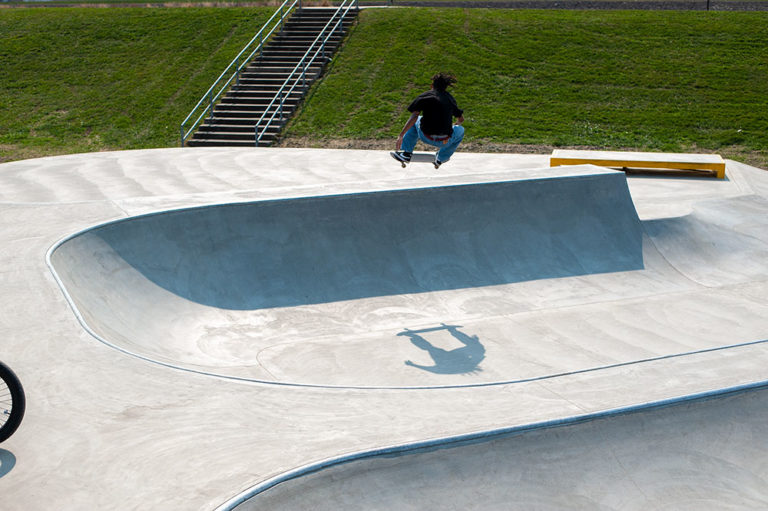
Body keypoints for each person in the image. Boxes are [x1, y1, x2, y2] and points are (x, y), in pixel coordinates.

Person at [392, 72, 465, 169]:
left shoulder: (425, 96)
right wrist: (454, 125)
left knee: (417, 118)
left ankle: (406, 153)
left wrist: (401, 135)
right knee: (461, 130)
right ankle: (441, 158)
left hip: (425, 136)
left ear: (431, 86)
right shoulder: (450, 99)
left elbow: (414, 116)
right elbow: (461, 119)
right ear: (445, 87)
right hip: (444, 141)